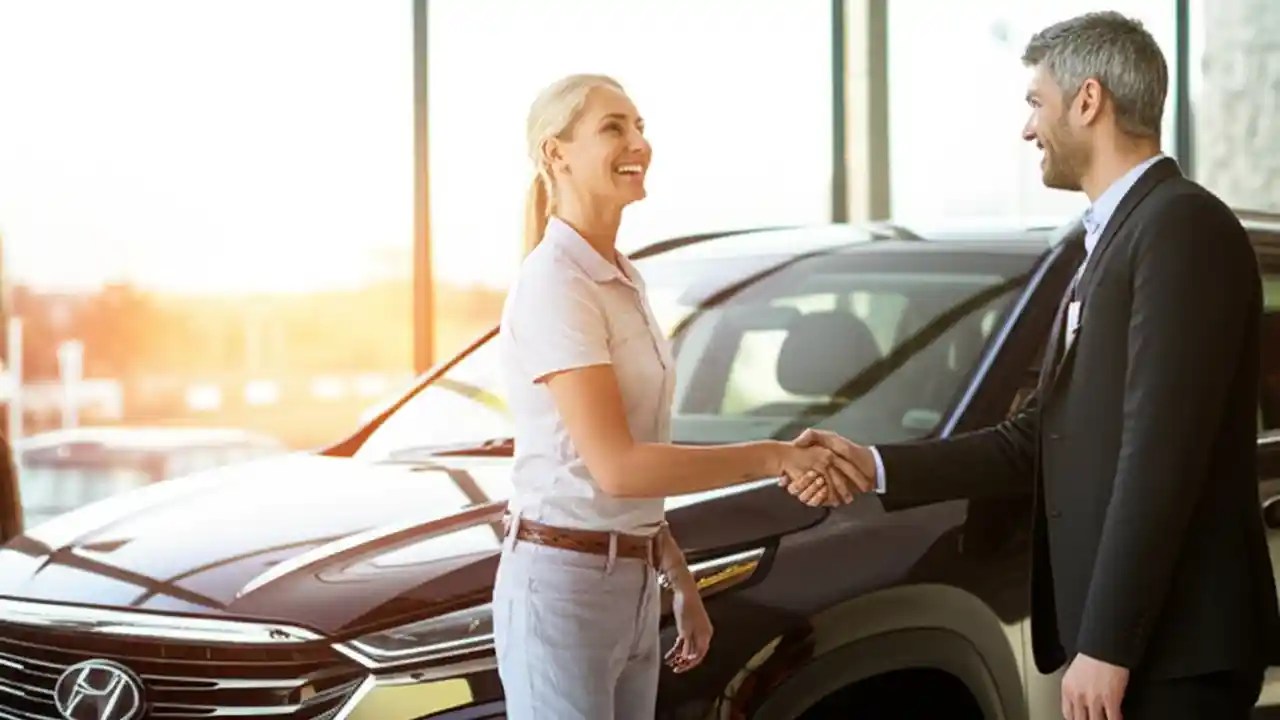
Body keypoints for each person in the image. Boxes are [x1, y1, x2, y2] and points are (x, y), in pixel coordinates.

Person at [785, 11, 1280, 720]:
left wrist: (1110, 646)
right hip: (1143, 647)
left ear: (1088, 100)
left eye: (1034, 103)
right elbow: (1037, 436)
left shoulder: (1178, 227)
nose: (1027, 130)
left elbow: (1159, 453)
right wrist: (873, 464)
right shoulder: (1113, 242)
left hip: (1171, 649)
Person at [493, 73, 862, 720]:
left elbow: (634, 456)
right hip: (563, 589)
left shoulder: (623, 276)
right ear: (557, 154)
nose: (638, 141)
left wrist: (673, 573)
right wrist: (774, 457)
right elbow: (617, 467)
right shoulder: (556, 283)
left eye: (639, 126)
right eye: (614, 127)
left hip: (628, 580)